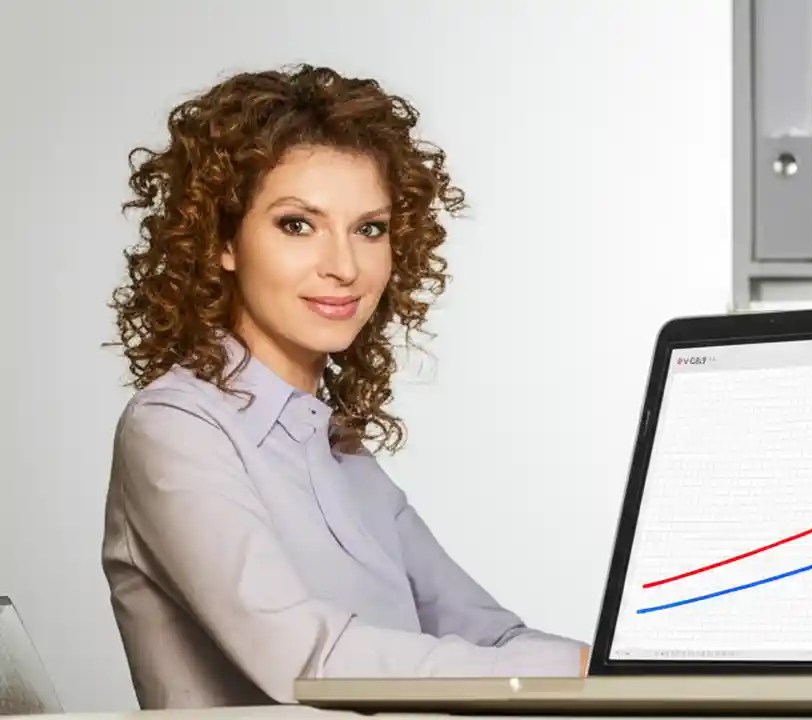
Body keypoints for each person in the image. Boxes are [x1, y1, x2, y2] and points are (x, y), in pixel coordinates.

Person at [101, 64, 588, 709]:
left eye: (370, 228)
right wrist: (581, 671)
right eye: (298, 224)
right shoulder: (175, 426)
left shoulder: (338, 450)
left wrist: (627, 661)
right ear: (223, 240)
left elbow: (491, 635)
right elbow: (306, 658)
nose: (344, 266)